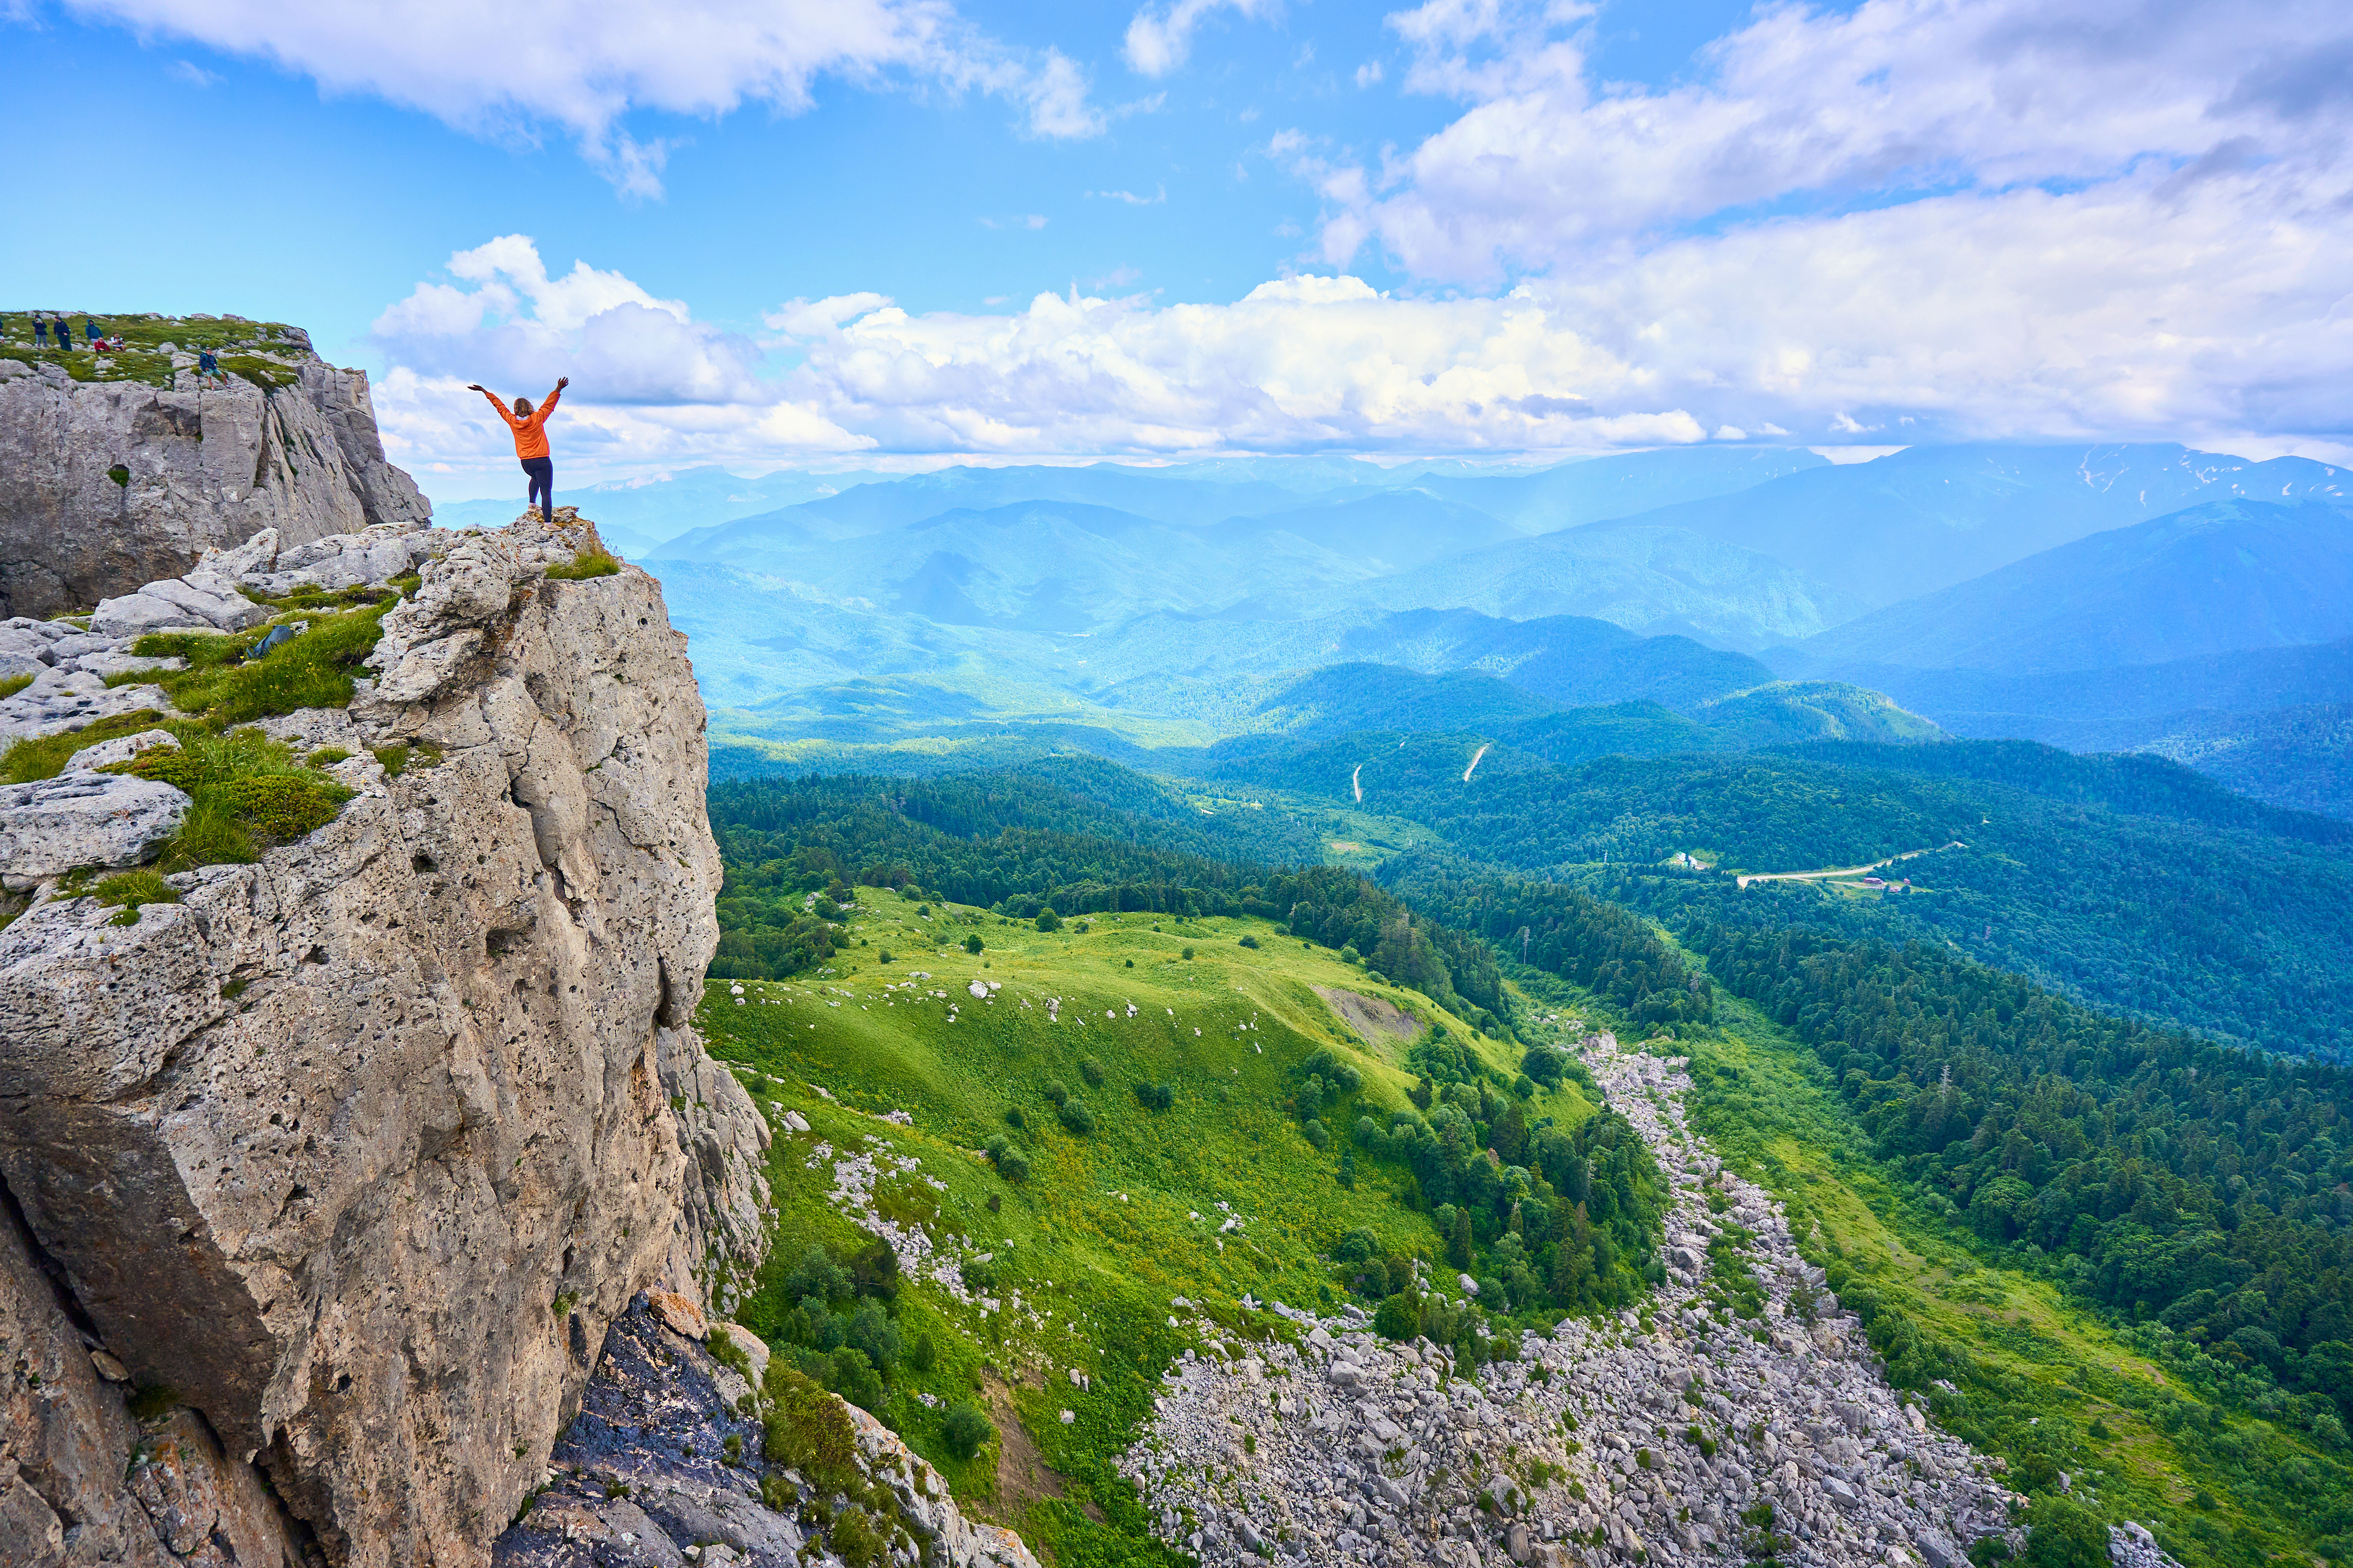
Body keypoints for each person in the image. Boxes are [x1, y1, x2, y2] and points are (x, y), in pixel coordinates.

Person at [469, 376, 569, 525]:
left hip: (526, 463)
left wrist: (485, 392)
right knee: (546, 492)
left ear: (516, 410)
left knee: (535, 478)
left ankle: (531, 505)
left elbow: (500, 407)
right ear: (530, 407)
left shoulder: (511, 420)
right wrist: (558, 389)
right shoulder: (538, 418)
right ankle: (548, 524)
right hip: (542, 460)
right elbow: (549, 405)